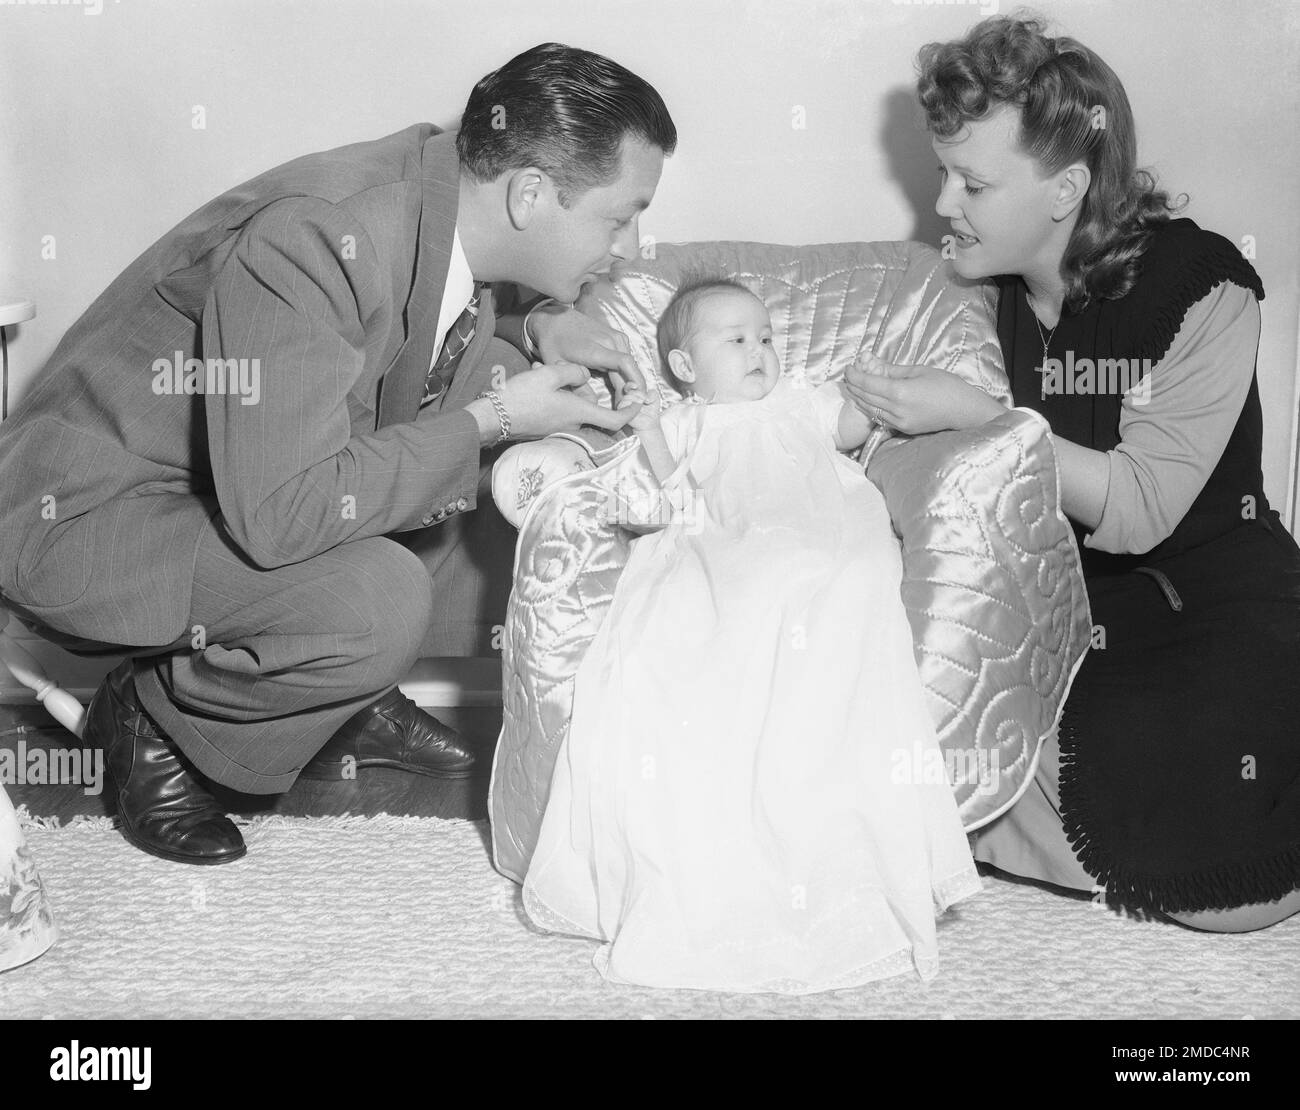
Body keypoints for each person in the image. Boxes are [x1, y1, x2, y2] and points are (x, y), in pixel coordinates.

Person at [0, 42, 676, 866]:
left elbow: (420, 301)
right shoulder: (317, 236)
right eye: (619, 217)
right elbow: (282, 514)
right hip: (84, 517)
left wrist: (532, 324)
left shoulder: (437, 187)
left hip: (213, 492)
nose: (632, 246)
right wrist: (495, 417)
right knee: (378, 597)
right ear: (529, 193)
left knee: (508, 428)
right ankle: (154, 718)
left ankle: (333, 702)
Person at [846, 16, 1300, 931]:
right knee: (904, 702)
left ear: (1067, 189)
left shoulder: (1204, 287)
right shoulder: (968, 288)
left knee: (1232, 883)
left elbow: (1139, 508)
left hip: (1216, 592)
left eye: (973, 183)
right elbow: (794, 306)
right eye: (943, 173)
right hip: (1059, 600)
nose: (943, 204)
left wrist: (984, 420)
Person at [522, 280, 981, 992]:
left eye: (765, 336)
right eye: (735, 340)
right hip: (722, 539)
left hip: (816, 535)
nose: (758, 350)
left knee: (849, 575)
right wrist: (647, 429)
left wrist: (870, 391)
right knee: (694, 608)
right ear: (684, 366)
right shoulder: (685, 420)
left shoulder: (798, 402)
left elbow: (850, 424)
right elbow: (668, 494)